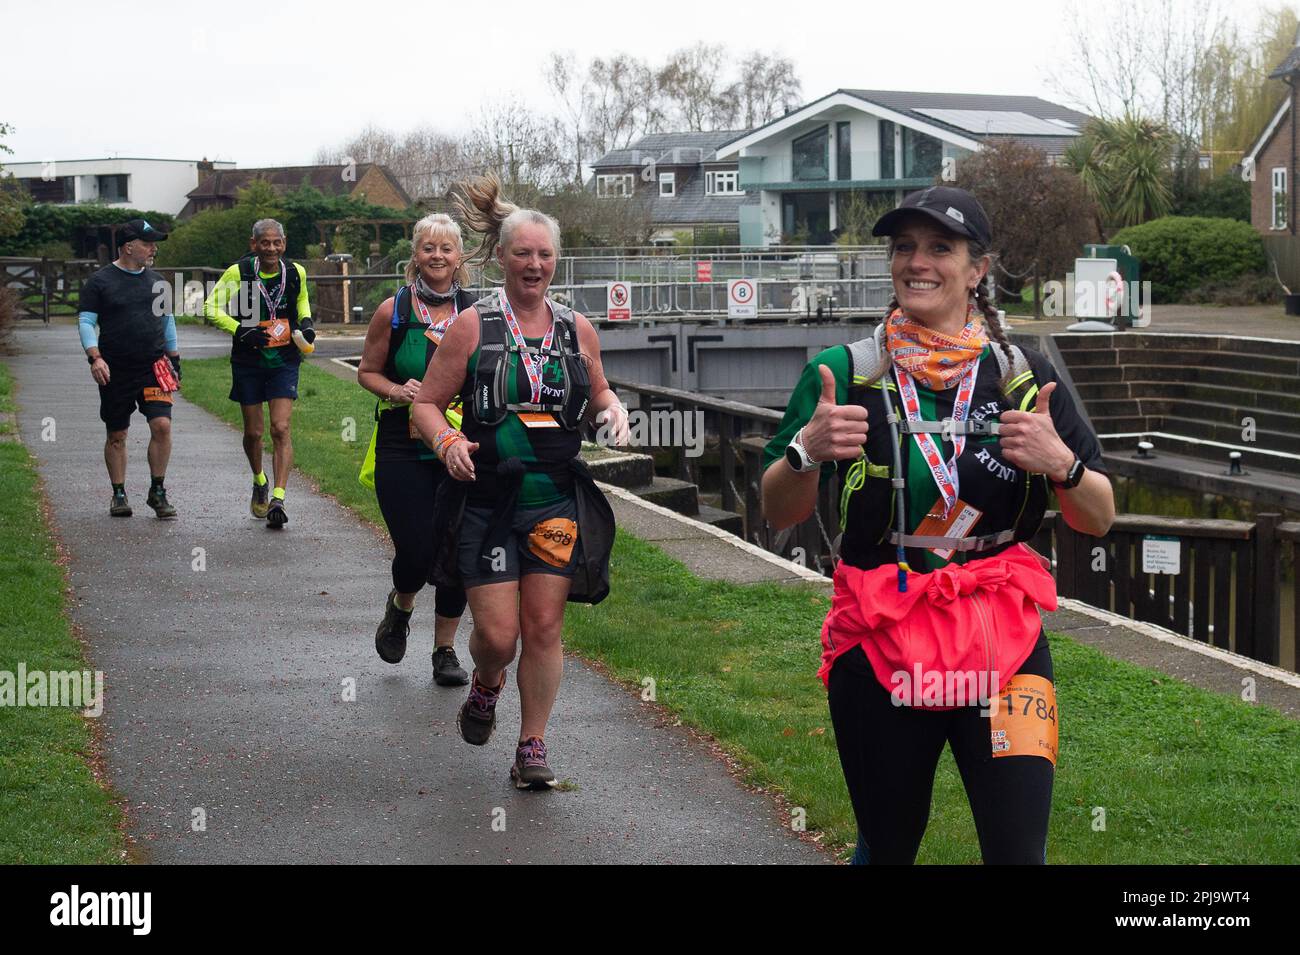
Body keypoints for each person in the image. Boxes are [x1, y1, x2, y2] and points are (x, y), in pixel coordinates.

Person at [761, 186, 1115, 864]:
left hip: (1003, 644)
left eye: (940, 248)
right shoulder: (844, 374)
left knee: (1019, 854)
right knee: (888, 845)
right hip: (883, 642)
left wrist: (1063, 465)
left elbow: (1097, 516)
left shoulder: (1022, 377)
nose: (917, 262)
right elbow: (781, 510)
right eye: (904, 247)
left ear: (977, 269)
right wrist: (806, 452)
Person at [412, 175, 627, 790]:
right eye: (522, 253)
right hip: (487, 502)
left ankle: (531, 746)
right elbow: (426, 405)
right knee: (500, 637)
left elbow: (600, 388)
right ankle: (485, 685)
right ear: (502, 258)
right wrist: (448, 440)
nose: (534, 265)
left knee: (543, 627)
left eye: (544, 255)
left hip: (553, 500)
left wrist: (612, 408)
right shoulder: (472, 328)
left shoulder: (575, 330)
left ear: (555, 262)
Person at [356, 214, 473, 687]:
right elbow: (367, 371)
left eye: (446, 248)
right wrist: (393, 391)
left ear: (459, 257)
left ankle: (444, 650)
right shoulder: (394, 310)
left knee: (459, 550)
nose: (438, 256)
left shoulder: (476, 312)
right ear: (415, 255)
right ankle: (401, 606)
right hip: (402, 445)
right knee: (417, 550)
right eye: (429, 248)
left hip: (461, 445)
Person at [203, 218, 314, 528]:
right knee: (253, 432)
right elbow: (210, 308)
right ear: (254, 244)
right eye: (265, 243)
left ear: (284, 243)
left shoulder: (294, 272)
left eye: (277, 242)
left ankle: (278, 497)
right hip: (249, 360)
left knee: (280, 427)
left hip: (284, 358)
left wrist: (305, 322)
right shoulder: (240, 272)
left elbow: (301, 299)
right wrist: (241, 330)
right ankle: (259, 479)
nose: (271, 248)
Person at [79, 218, 180, 519]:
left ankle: (157, 491)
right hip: (115, 369)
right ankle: (119, 493)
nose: (153, 249)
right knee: (117, 434)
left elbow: (167, 322)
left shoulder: (158, 282)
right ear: (128, 246)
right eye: (148, 243)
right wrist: (95, 357)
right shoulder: (100, 282)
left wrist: (174, 360)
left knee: (162, 426)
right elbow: (86, 321)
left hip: (154, 366)